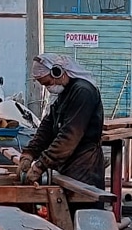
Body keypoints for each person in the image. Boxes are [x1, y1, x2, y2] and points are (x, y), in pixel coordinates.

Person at [16, 53, 107, 189]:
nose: (48, 87)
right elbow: (47, 126)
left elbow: (69, 136)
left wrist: (41, 165)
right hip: (68, 163)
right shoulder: (65, 93)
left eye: (48, 82)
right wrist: (29, 153)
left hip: (84, 166)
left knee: (83, 208)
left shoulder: (83, 92)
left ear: (57, 72)